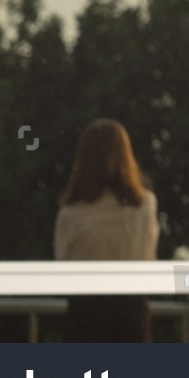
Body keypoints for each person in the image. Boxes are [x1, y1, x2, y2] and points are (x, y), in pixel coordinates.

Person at [54, 119, 160, 341]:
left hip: (85, 313)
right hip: (132, 313)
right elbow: (148, 257)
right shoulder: (145, 206)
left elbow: (62, 263)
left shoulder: (71, 213)